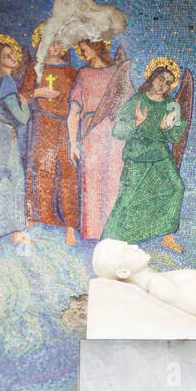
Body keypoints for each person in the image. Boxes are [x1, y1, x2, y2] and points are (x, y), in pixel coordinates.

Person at [0, 34, 58, 259]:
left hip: (1, 133)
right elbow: (20, 117)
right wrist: (31, 99)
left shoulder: (0, 83)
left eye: (14, 53)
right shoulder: (6, 82)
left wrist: (26, 99)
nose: (14, 57)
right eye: (8, 56)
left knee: (15, 179)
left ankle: (17, 230)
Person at [104, 60, 186, 252]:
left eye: (168, 83)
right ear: (152, 79)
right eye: (160, 79)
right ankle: (112, 239)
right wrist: (136, 122)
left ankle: (167, 235)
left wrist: (168, 127)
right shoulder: (137, 101)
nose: (163, 85)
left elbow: (174, 137)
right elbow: (118, 131)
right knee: (128, 197)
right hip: (138, 153)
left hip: (160, 154)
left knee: (176, 187)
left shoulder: (171, 105)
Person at [18, 28, 79, 245]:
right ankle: (35, 217)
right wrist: (37, 93)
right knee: (40, 169)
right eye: (51, 44)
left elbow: (78, 101)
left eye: (59, 43)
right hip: (41, 123)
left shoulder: (72, 72)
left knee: (67, 173)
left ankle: (70, 226)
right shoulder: (35, 70)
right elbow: (21, 98)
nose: (55, 48)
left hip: (63, 125)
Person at [68, 39, 132, 241]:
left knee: (115, 179)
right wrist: (72, 143)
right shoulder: (84, 74)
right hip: (92, 131)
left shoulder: (116, 72)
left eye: (85, 49)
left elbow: (131, 102)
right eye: (80, 50)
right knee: (92, 179)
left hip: (115, 131)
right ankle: (94, 233)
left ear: (96, 47)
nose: (83, 53)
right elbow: (74, 111)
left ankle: (113, 232)